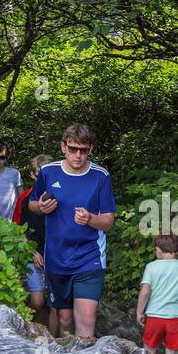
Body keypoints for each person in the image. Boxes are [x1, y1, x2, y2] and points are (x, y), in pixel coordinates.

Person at [28, 124, 115, 338]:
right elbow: (31, 204)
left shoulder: (100, 176)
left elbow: (108, 220)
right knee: (65, 320)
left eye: (83, 150)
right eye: (73, 148)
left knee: (86, 321)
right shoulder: (49, 172)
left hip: (89, 257)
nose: (78, 155)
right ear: (63, 147)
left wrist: (90, 219)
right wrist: (41, 207)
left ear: (91, 149)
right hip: (57, 258)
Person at [13, 154, 54, 331]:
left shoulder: (60, 196)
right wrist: (31, 252)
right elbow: (17, 228)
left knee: (57, 305)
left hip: (57, 254)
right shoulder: (25, 198)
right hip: (33, 252)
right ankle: (32, 330)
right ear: (32, 175)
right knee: (37, 302)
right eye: (39, 174)